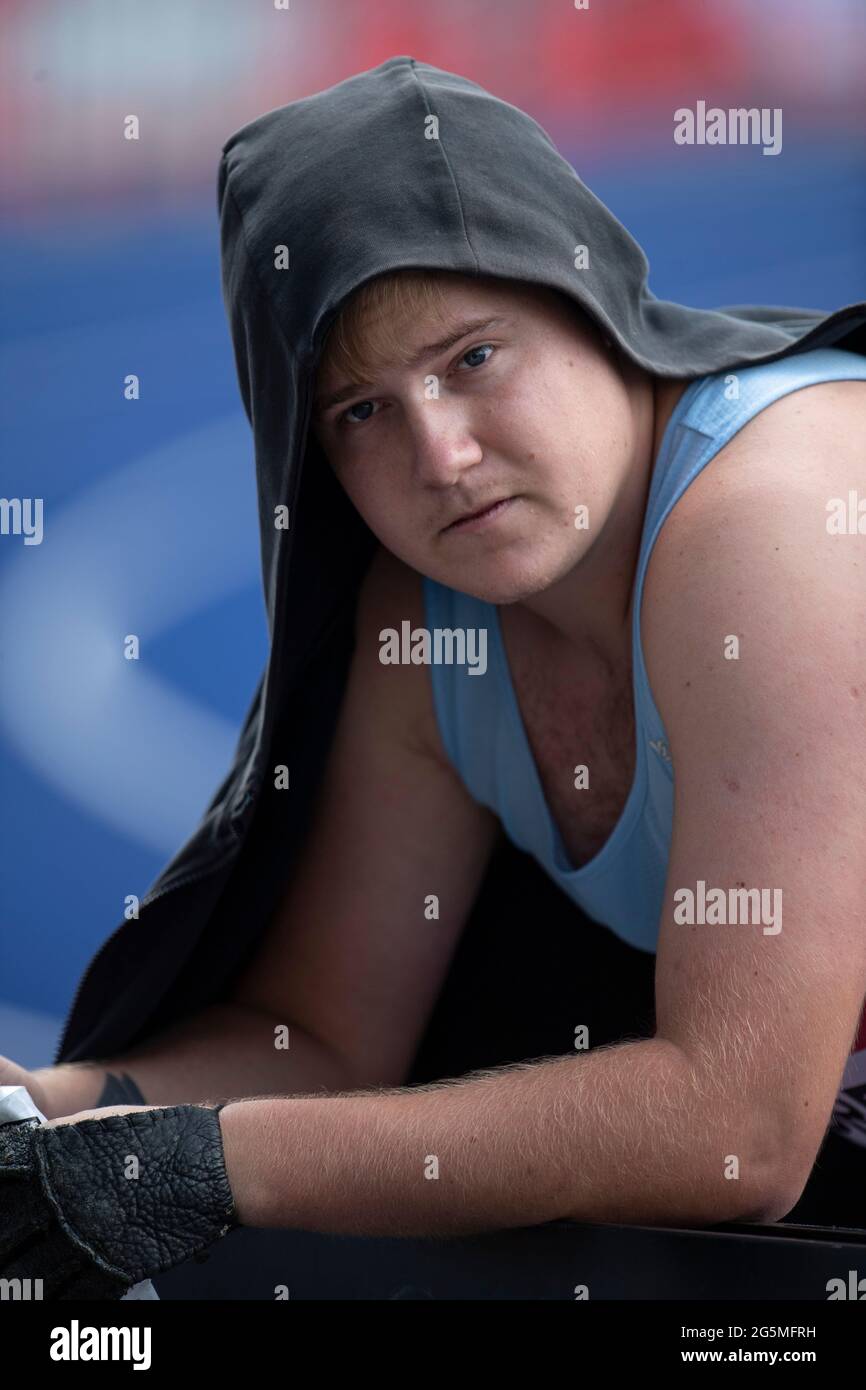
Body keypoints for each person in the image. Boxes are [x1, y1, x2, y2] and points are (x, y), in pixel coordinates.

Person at [2, 56, 865, 1299]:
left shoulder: (774, 523)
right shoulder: (429, 623)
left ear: (590, 300)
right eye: (359, 410)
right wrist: (49, 1116)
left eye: (471, 358)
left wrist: (211, 1164)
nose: (441, 454)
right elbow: (331, 1044)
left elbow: (736, 1127)